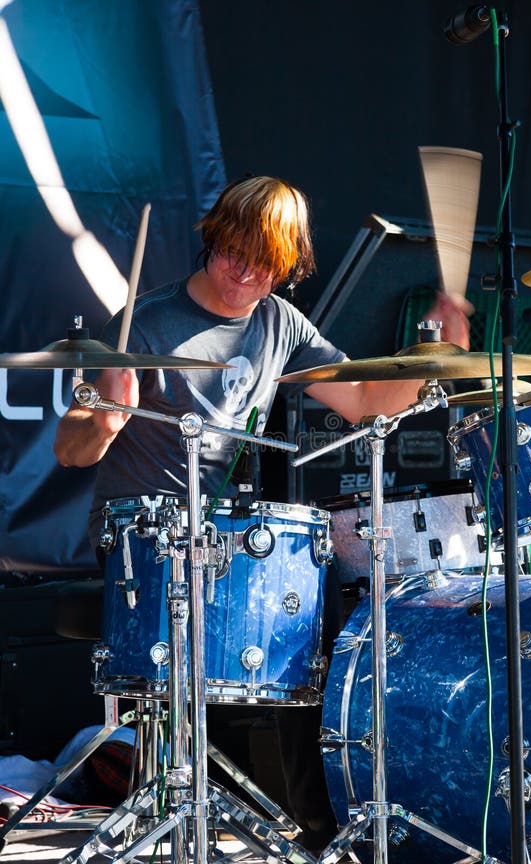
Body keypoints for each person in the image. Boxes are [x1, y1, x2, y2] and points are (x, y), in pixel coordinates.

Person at [54, 175, 470, 847]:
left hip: (223, 537)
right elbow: (70, 450)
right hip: (145, 541)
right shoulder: (144, 322)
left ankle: (313, 830)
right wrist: (103, 419)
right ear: (212, 239)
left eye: (265, 265)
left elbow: (365, 404)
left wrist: (435, 355)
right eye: (232, 255)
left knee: (300, 632)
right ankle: (195, 805)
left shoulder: (279, 321)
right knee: (213, 631)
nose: (245, 275)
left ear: (286, 267)